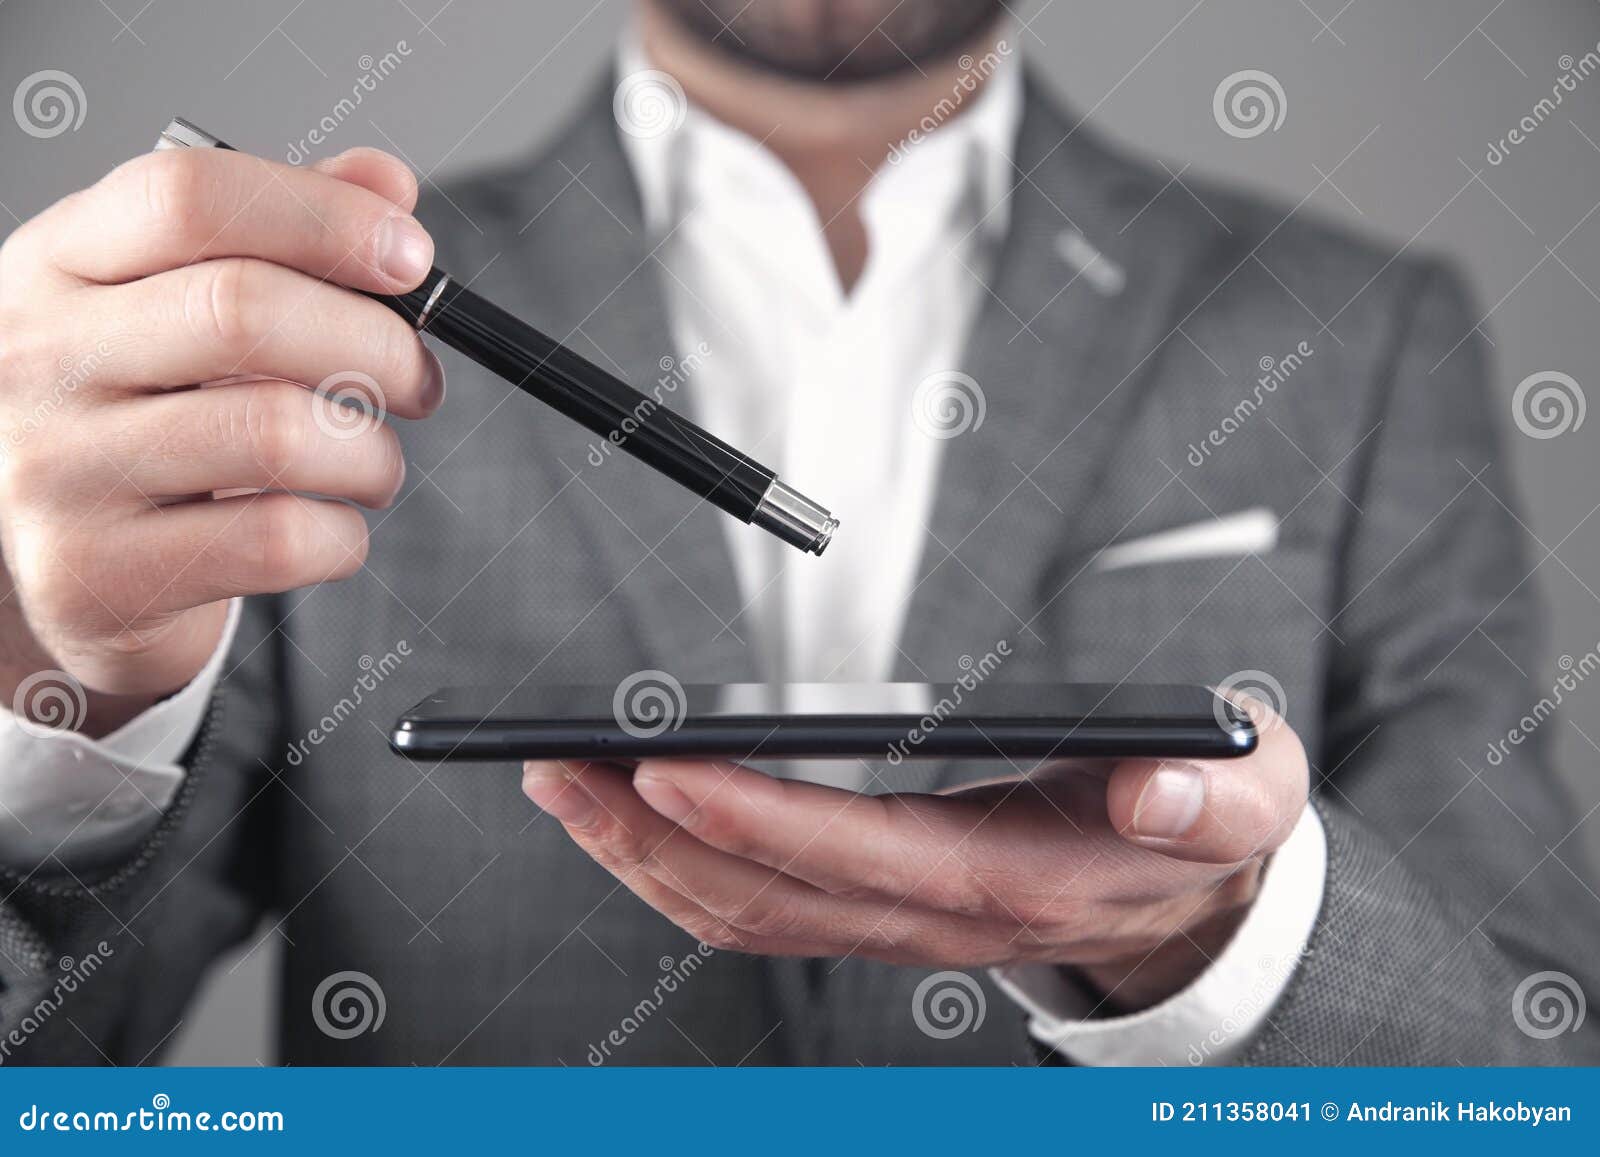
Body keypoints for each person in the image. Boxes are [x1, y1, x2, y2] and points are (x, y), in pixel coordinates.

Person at [0, 0, 1595, 1066]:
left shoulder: (1354, 331)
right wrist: (49, 680)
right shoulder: (298, 343)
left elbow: (1541, 1054)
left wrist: (1218, 938)